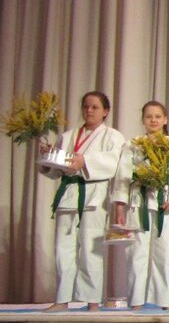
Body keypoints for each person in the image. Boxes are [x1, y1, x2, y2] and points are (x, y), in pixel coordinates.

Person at [38, 91, 127, 312]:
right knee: (63, 249)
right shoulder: (68, 136)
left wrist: (84, 160)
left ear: (105, 111)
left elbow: (113, 162)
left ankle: (92, 301)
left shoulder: (113, 136)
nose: (89, 110)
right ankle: (62, 300)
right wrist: (49, 157)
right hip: (68, 194)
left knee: (90, 249)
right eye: (86, 106)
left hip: (95, 196)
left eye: (95, 107)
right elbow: (55, 171)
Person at [111, 100, 169, 309]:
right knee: (136, 254)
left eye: (157, 116)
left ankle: (164, 300)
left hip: (165, 204)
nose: (153, 120)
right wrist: (119, 205)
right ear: (143, 120)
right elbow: (122, 175)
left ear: (165, 119)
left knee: (165, 254)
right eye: (149, 117)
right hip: (138, 204)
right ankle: (136, 301)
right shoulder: (133, 144)